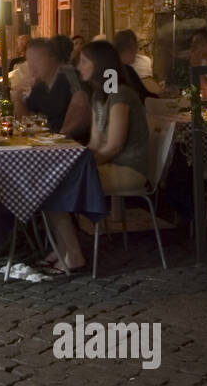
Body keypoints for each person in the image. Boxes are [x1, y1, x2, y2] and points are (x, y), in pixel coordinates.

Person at [42, 40, 151, 274]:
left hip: (128, 169)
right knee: (49, 182)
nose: (78, 65)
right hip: (110, 165)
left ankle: (72, 254)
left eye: (83, 61)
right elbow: (94, 143)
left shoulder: (120, 95)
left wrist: (79, 167)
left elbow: (113, 147)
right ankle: (64, 247)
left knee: (52, 186)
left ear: (99, 65)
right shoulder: (99, 96)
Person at [11, 38, 90, 141]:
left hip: (72, 145)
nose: (32, 67)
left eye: (37, 61)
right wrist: (18, 98)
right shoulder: (40, 85)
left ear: (52, 59)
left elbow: (82, 109)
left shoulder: (70, 76)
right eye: (29, 62)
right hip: (48, 142)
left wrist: (59, 137)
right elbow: (25, 120)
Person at [114, 29, 161, 99]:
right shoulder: (127, 71)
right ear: (132, 47)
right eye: (137, 47)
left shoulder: (112, 69)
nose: (137, 52)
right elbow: (144, 96)